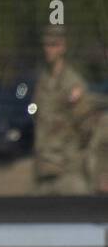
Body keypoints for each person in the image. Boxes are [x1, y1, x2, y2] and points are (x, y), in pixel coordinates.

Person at [33, 26, 93, 196]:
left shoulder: (72, 83)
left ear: (63, 47)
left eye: (54, 45)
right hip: (44, 167)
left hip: (67, 170)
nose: (48, 49)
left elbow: (86, 128)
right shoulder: (42, 81)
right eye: (46, 45)